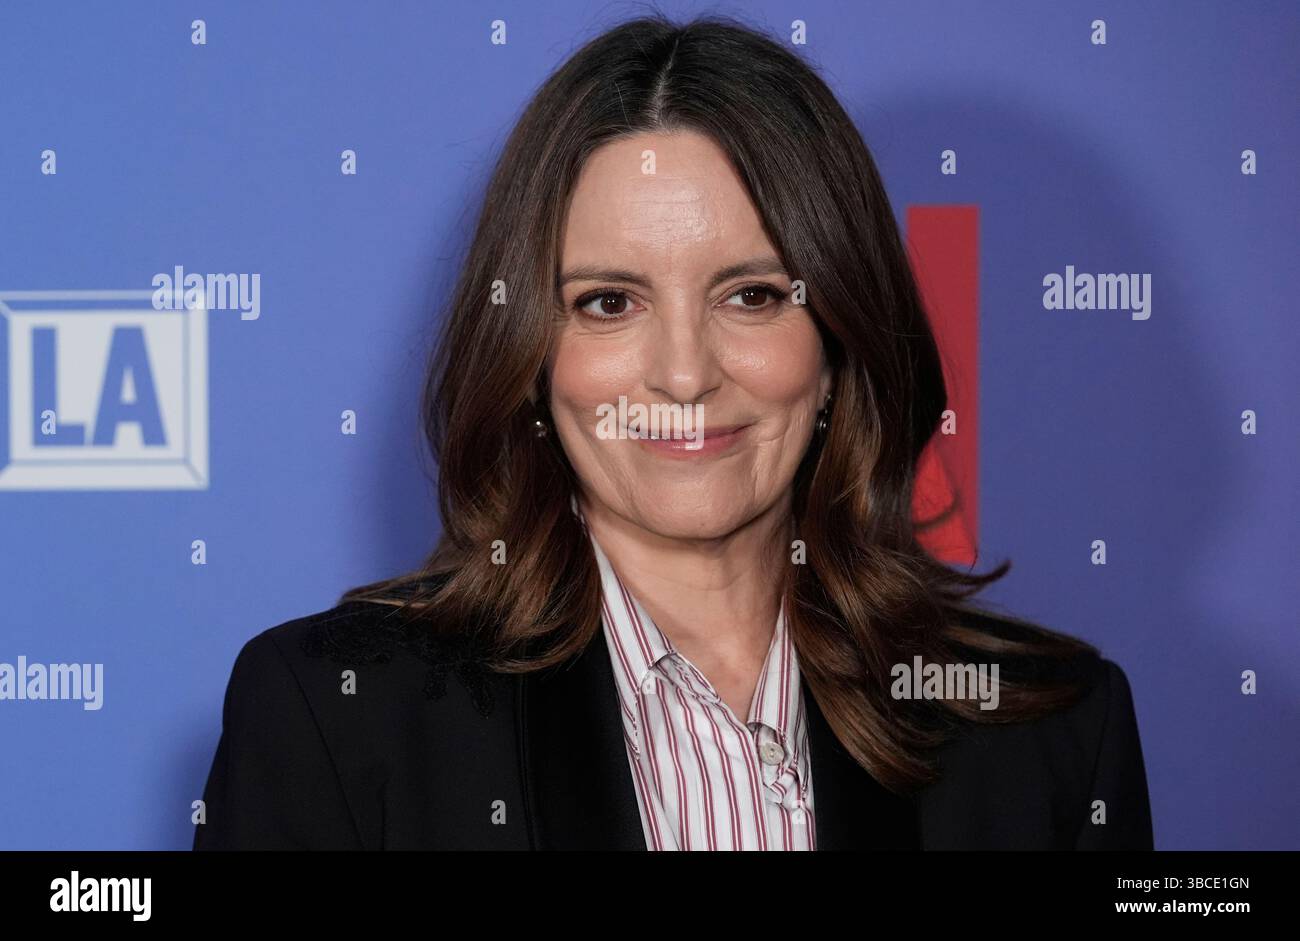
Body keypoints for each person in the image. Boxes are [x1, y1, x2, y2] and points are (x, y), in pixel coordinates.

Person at [193, 15, 1152, 851]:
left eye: (752, 295)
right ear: (530, 351)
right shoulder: (337, 719)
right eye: (609, 302)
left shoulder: (1045, 729)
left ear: (838, 338)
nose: (685, 373)